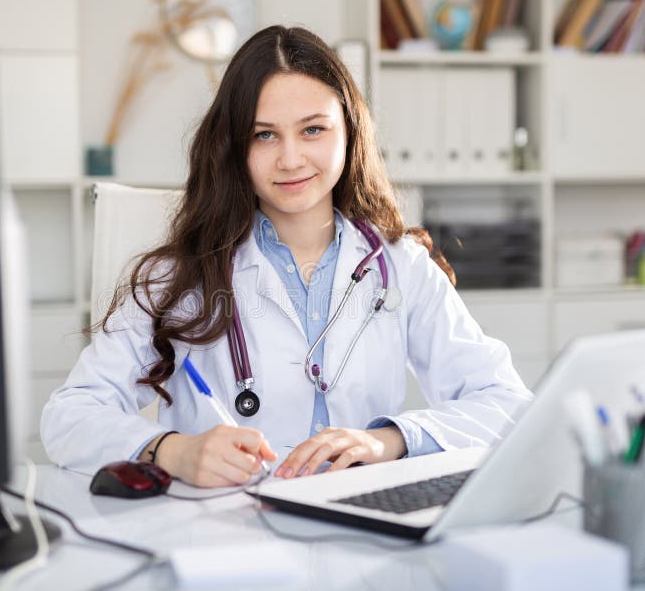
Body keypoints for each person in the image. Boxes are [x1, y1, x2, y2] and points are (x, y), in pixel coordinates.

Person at [41, 25, 532, 488]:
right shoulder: (181, 277)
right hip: (223, 533)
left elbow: (508, 402)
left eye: (313, 130)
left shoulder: (399, 266)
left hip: (359, 526)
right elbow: (69, 417)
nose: (291, 158)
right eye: (264, 135)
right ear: (234, 148)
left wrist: (387, 440)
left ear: (349, 131)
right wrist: (172, 451)